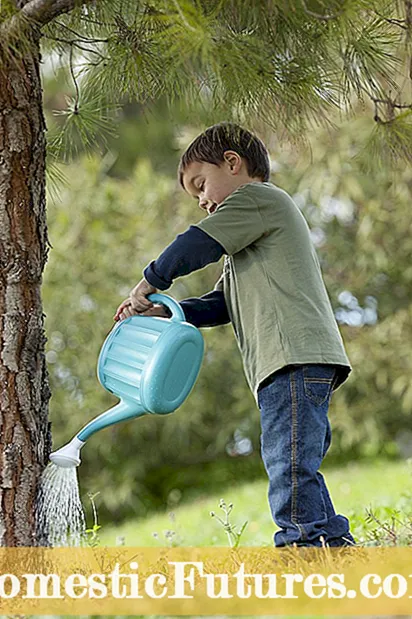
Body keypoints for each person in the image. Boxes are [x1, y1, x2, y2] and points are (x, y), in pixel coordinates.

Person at [114, 122, 357, 548]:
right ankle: (331, 545)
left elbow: (194, 245)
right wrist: (163, 312)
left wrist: (148, 282)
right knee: (297, 460)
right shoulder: (248, 242)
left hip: (292, 356)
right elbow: (221, 304)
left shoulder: (259, 199)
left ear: (233, 162)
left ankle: (301, 547)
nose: (203, 202)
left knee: (288, 462)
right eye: (195, 196)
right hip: (288, 360)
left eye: (202, 185)